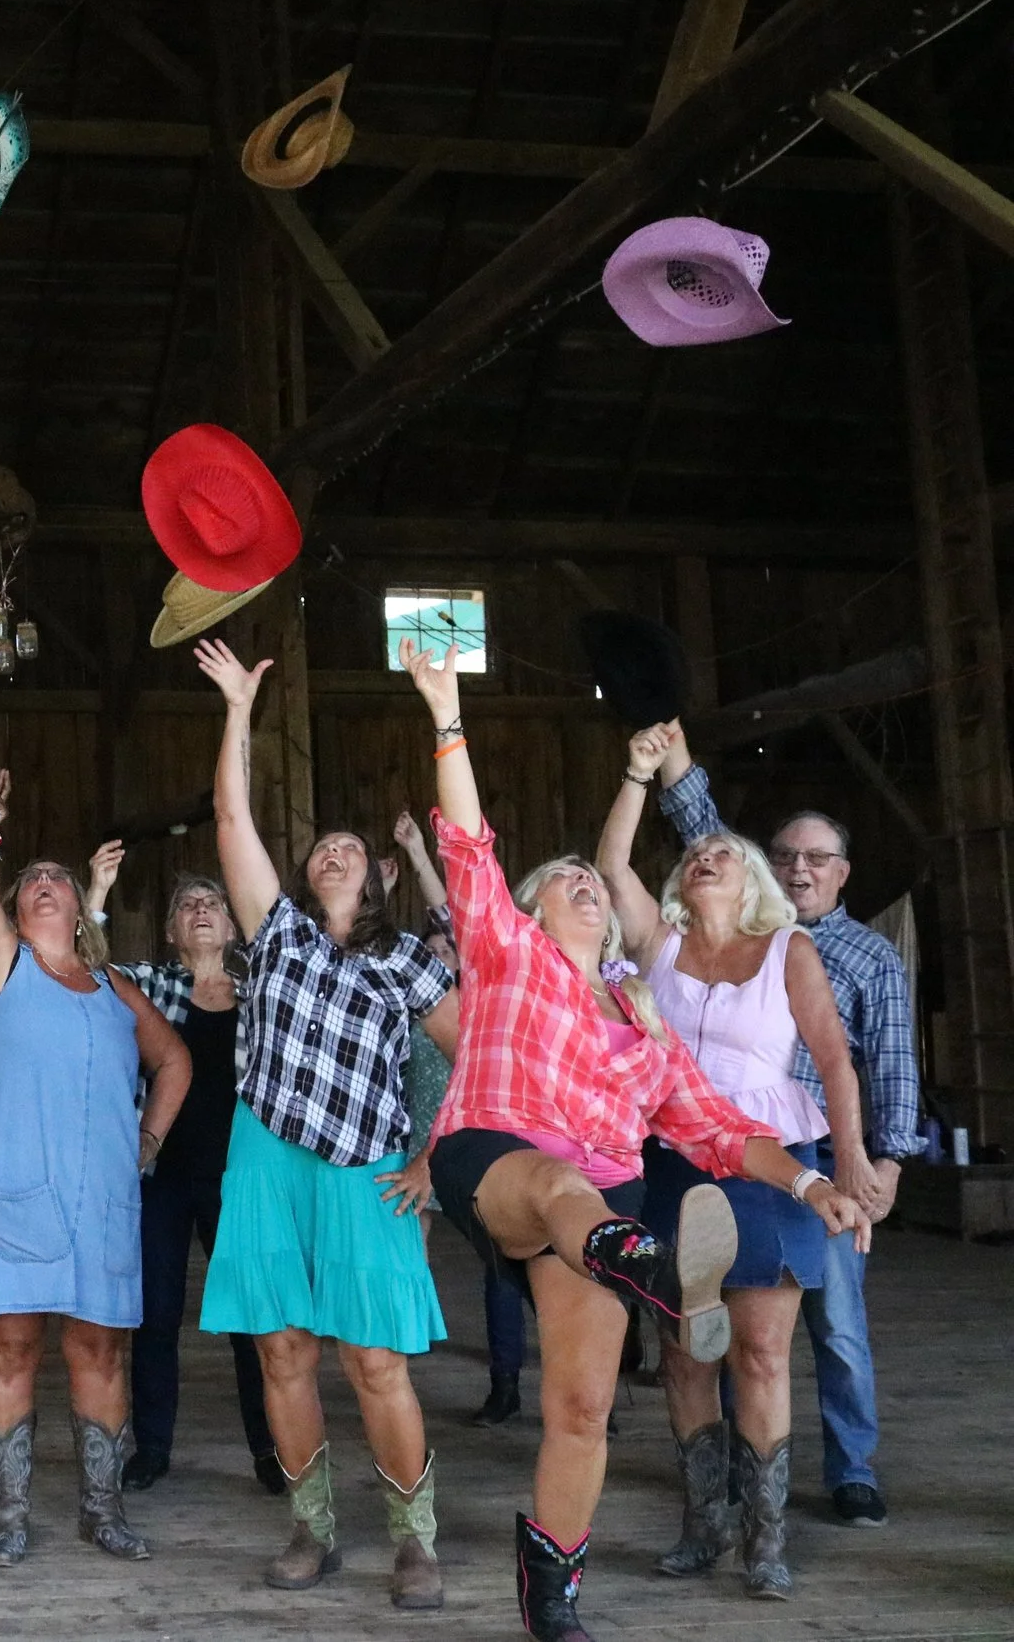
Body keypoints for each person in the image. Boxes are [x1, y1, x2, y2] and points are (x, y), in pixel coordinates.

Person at [400, 641, 866, 1642]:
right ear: (531, 908)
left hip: (595, 1216)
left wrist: (811, 1179)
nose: (585, 882)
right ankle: (653, 1266)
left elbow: (711, 1125)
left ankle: (550, 1593)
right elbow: (468, 843)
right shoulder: (505, 947)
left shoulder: (637, 1016)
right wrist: (446, 714)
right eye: (566, 876)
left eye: (593, 880)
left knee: (579, 1402)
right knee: (566, 1181)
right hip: (498, 1157)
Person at [190, 639, 457, 1610]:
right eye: (319, 847)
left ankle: (413, 1538)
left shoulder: (408, 966)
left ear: (381, 877)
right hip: (264, 1155)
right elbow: (231, 816)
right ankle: (312, 1524)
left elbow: (479, 1056)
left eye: (348, 847)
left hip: (366, 1167)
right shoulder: (283, 935)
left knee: (374, 1359)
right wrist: (235, 708)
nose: (329, 850)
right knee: (282, 1350)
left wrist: (434, 1153)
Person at [599, 724, 878, 1598]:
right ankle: (703, 1522)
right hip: (676, 1164)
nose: (705, 858)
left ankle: (765, 1538)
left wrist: (854, 1160)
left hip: (770, 1161)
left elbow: (834, 1058)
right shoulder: (663, 946)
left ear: (751, 878)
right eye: (696, 854)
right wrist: (638, 775)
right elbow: (612, 868)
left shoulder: (789, 950)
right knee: (687, 1351)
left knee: (760, 1351)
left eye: (723, 851)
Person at [0, 704, 191, 1568]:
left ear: (81, 903)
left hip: (105, 1191)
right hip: (15, 1186)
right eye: (31, 876)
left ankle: (100, 1507)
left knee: (99, 1345)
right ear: (15, 904)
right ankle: (7, 1515)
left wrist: (148, 1141)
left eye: (59, 876)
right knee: (11, 1343)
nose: (44, 880)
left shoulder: (116, 985)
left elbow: (177, 1062)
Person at [654, 722, 916, 1527]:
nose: (800, 867)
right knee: (724, 1331)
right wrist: (670, 751)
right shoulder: (727, 928)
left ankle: (851, 1467)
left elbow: (881, 1064)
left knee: (834, 1324)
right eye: (788, 855)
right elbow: (706, 840)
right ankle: (735, 1473)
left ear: (842, 873)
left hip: (813, 1158)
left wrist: (878, 1164)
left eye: (818, 858)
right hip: (712, 1153)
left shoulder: (867, 955)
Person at [82, 849, 283, 1497]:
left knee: (254, 1318)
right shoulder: (151, 985)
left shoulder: (262, 995)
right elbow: (86, 968)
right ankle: (153, 1448)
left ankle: (269, 1446)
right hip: (161, 1173)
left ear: (233, 926)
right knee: (156, 1314)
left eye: (213, 903)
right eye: (188, 905)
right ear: (171, 931)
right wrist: (97, 891)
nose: (201, 911)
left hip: (242, 1177)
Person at [389, 808, 531, 1430]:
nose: (442, 947)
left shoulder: (483, 988)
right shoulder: (413, 999)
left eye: (448, 943)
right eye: (433, 947)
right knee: (407, 1242)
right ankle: (404, 1345)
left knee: (501, 1261)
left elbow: (452, 914)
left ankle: (506, 1380)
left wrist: (420, 856)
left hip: (479, 1136)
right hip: (419, 1138)